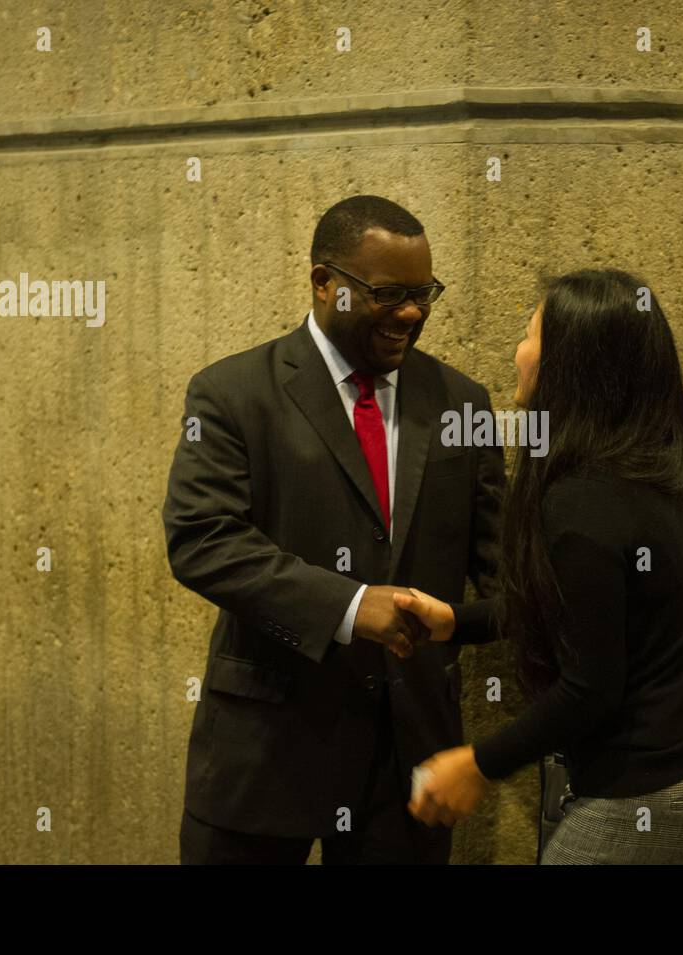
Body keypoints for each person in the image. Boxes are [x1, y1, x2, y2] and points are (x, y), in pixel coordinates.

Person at [162, 195, 503, 864]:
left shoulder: (463, 404)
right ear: (325, 283)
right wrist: (350, 606)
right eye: (388, 293)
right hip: (262, 759)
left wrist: (456, 623)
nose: (412, 312)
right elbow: (203, 540)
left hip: (408, 769)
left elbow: (511, 582)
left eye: (423, 292)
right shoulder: (232, 393)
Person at [395, 269, 683, 864]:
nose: (517, 352)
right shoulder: (658, 466)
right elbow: (591, 610)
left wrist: (477, 765)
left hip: (641, 807)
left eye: (530, 334)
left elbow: (591, 689)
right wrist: (457, 619)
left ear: (572, 364)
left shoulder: (580, 502)